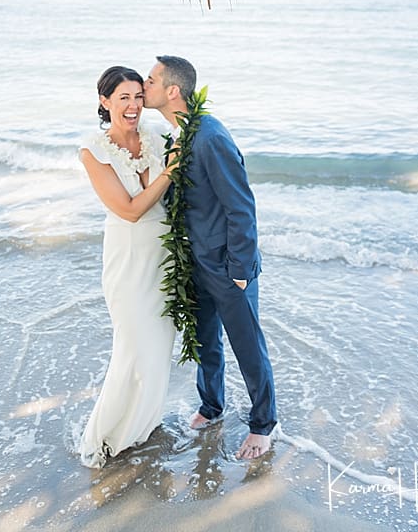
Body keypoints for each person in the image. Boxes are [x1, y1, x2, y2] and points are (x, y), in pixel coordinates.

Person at [143, 55, 277, 460]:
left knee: (247, 345)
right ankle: (211, 405)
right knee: (205, 342)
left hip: (227, 265)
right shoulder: (178, 135)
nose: (144, 86)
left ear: (172, 91)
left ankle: (263, 424)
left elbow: (241, 207)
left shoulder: (210, 137)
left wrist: (240, 270)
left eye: (150, 80)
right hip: (196, 262)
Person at [76, 66, 177, 466]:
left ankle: (143, 425)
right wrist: (170, 170)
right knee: (132, 347)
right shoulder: (93, 151)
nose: (133, 106)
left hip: (164, 256)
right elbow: (130, 210)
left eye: (138, 96)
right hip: (128, 257)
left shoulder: (158, 137)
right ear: (105, 102)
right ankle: (108, 434)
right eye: (123, 98)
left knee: (158, 348)